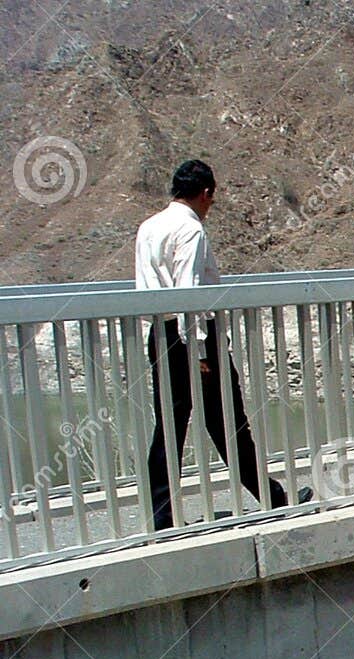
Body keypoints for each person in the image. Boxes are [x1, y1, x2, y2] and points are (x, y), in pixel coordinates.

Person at [136, 160, 309, 530]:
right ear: (206, 193)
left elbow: (146, 292)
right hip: (195, 337)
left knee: (169, 426)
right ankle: (275, 500)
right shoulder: (190, 230)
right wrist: (199, 352)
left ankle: (160, 518)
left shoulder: (148, 227)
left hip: (161, 334)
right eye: (212, 199)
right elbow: (190, 293)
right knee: (229, 424)